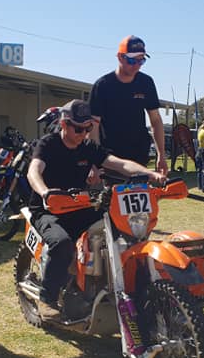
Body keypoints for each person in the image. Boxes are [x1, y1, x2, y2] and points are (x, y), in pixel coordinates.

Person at [27, 99, 165, 319]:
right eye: (79, 128)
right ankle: (47, 298)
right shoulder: (48, 144)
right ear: (64, 124)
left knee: (118, 227)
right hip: (48, 209)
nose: (84, 133)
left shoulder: (88, 147)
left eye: (88, 128)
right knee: (62, 244)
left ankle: (111, 282)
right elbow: (34, 171)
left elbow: (118, 163)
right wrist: (45, 192)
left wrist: (149, 174)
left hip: (79, 206)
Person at [89, 35, 168, 174]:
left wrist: (161, 155)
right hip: (111, 157)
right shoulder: (103, 85)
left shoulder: (146, 82)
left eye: (141, 60)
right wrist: (94, 161)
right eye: (132, 60)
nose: (137, 65)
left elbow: (155, 120)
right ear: (120, 57)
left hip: (139, 154)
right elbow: (93, 127)